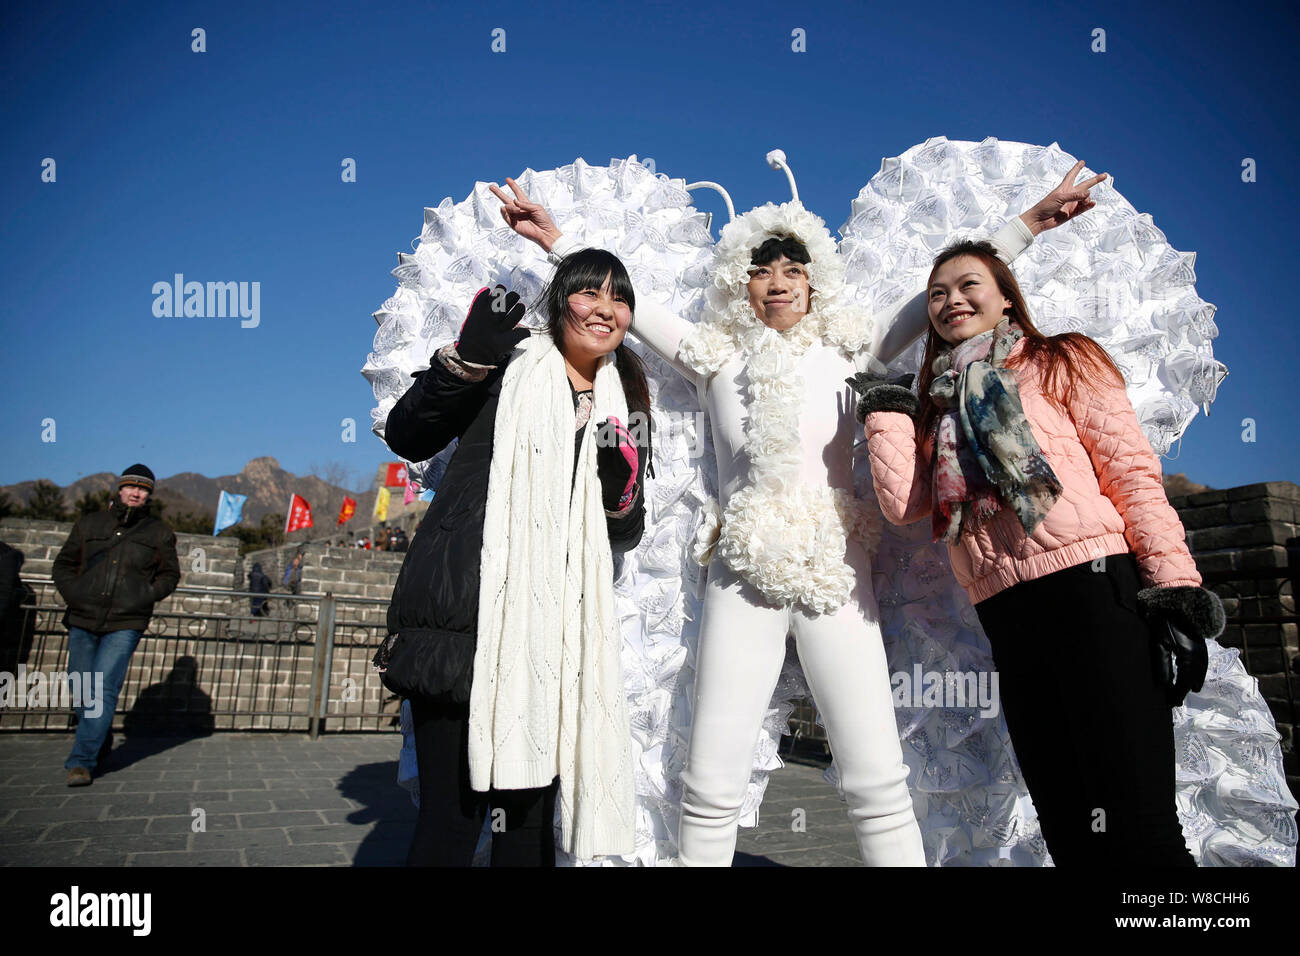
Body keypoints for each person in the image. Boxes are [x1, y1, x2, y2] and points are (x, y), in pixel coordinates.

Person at [493, 164, 1101, 866]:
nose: (777, 280)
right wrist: (555, 242)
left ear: (814, 281)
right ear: (738, 283)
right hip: (739, 573)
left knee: (877, 775)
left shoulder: (852, 347)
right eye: (760, 269)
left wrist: (1028, 223)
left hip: (838, 573)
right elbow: (631, 303)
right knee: (711, 778)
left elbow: (932, 298)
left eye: (792, 268)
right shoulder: (712, 356)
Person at [852, 238, 1219, 866]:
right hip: (1008, 618)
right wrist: (887, 409)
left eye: (969, 285)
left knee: (1142, 829)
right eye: (936, 294)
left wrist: (1176, 592)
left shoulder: (1060, 360)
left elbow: (1129, 471)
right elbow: (906, 505)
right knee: (1072, 828)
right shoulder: (935, 403)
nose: (951, 300)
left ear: (1005, 297)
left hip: (1096, 593)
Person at [377, 252, 649, 866]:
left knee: (526, 832)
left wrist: (619, 490)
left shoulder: (623, 400)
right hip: (463, 614)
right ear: (560, 302)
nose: (605, 308)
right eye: (589, 293)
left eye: (620, 298)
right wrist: (469, 359)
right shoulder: (509, 363)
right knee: (450, 821)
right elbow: (408, 434)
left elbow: (625, 529)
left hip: (554, 635)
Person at [51, 464, 180, 786]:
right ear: (120, 489)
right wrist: (75, 594)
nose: (136, 493)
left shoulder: (158, 532)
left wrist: (143, 596)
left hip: (125, 621)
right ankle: (99, 737)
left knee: (102, 687)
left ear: (149, 495)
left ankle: (81, 762)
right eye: (131, 487)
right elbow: (64, 564)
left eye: (144, 489)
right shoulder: (90, 524)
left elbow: (170, 575)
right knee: (80, 687)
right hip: (83, 616)